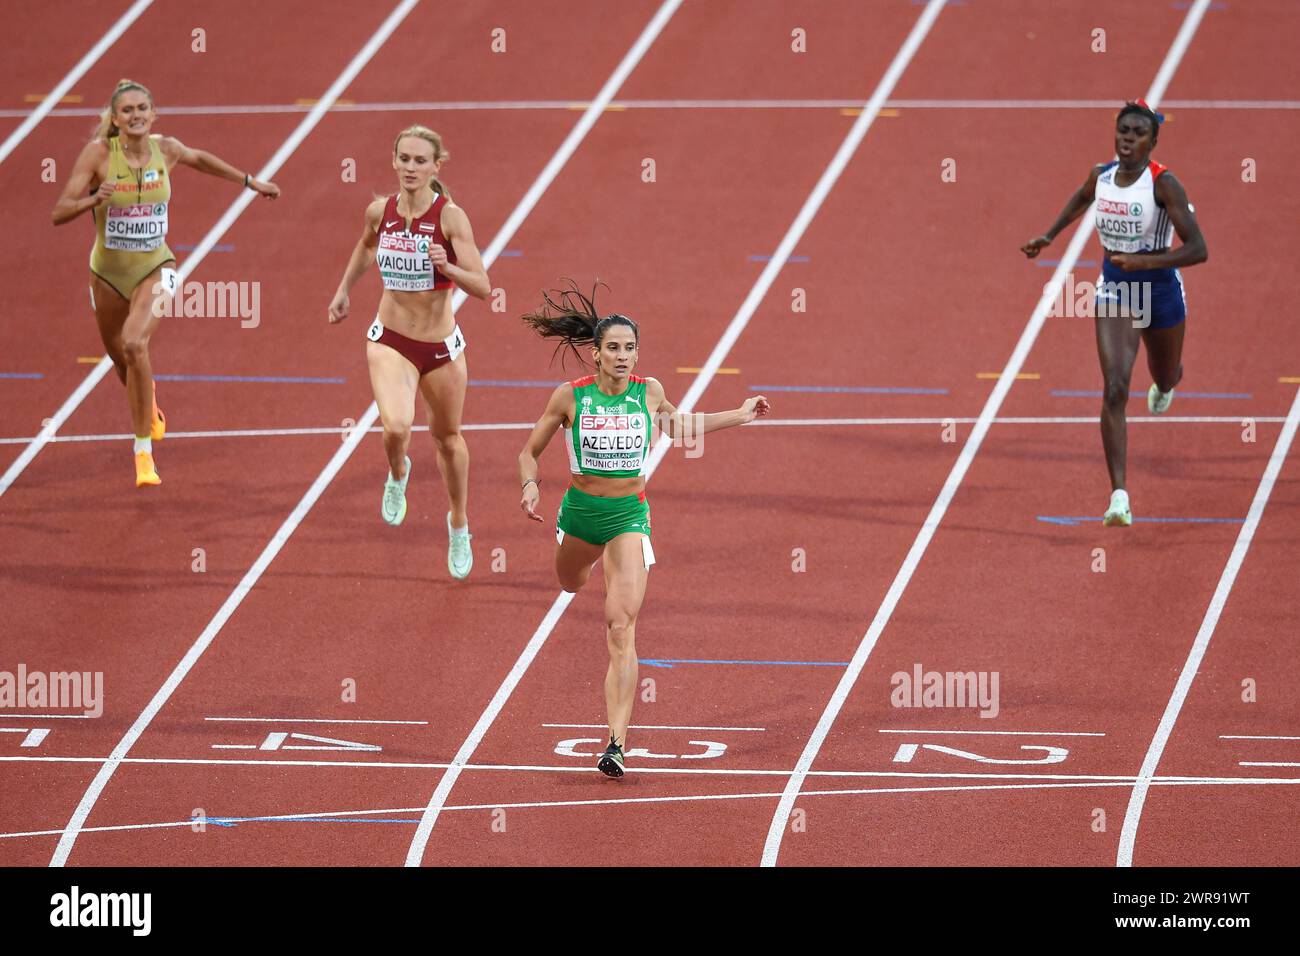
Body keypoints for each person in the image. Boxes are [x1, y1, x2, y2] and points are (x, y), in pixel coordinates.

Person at [516, 282, 771, 777]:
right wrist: (529, 485)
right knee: (570, 583)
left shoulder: (648, 392)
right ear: (595, 353)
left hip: (628, 517)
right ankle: (583, 565)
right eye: (612, 348)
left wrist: (739, 415)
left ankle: (615, 743)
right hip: (579, 515)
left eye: (629, 348)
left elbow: (679, 428)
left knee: (620, 626)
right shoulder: (571, 397)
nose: (622, 356)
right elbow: (529, 451)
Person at [51, 78, 279, 487]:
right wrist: (93, 199)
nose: (136, 116)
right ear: (115, 119)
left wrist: (249, 181)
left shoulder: (167, 149)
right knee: (124, 365)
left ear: (153, 115)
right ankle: (149, 402)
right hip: (106, 274)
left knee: (135, 343)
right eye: (128, 111)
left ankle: (143, 453)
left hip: (156, 266)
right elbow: (60, 211)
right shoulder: (98, 155)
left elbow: (200, 159)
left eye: (143, 109)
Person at [1022, 99, 1207, 526]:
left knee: (1164, 374)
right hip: (1116, 288)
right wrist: (1048, 236)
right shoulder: (1101, 176)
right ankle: (1119, 496)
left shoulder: (1164, 185)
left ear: (1152, 141)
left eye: (1138, 134)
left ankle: (1167, 383)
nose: (1128, 140)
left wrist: (1145, 263)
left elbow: (1199, 250)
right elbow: (1081, 198)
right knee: (1114, 389)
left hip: (1159, 289)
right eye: (1123, 131)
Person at [328, 126, 489, 579]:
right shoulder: (380, 212)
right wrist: (343, 291)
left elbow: (483, 287)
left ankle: (458, 522)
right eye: (405, 159)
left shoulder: (451, 218)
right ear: (394, 161)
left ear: (438, 165)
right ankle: (398, 472)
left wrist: (448, 266)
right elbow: (364, 246)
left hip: (440, 347)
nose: (412, 168)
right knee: (396, 426)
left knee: (448, 439)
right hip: (390, 341)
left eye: (421, 161)